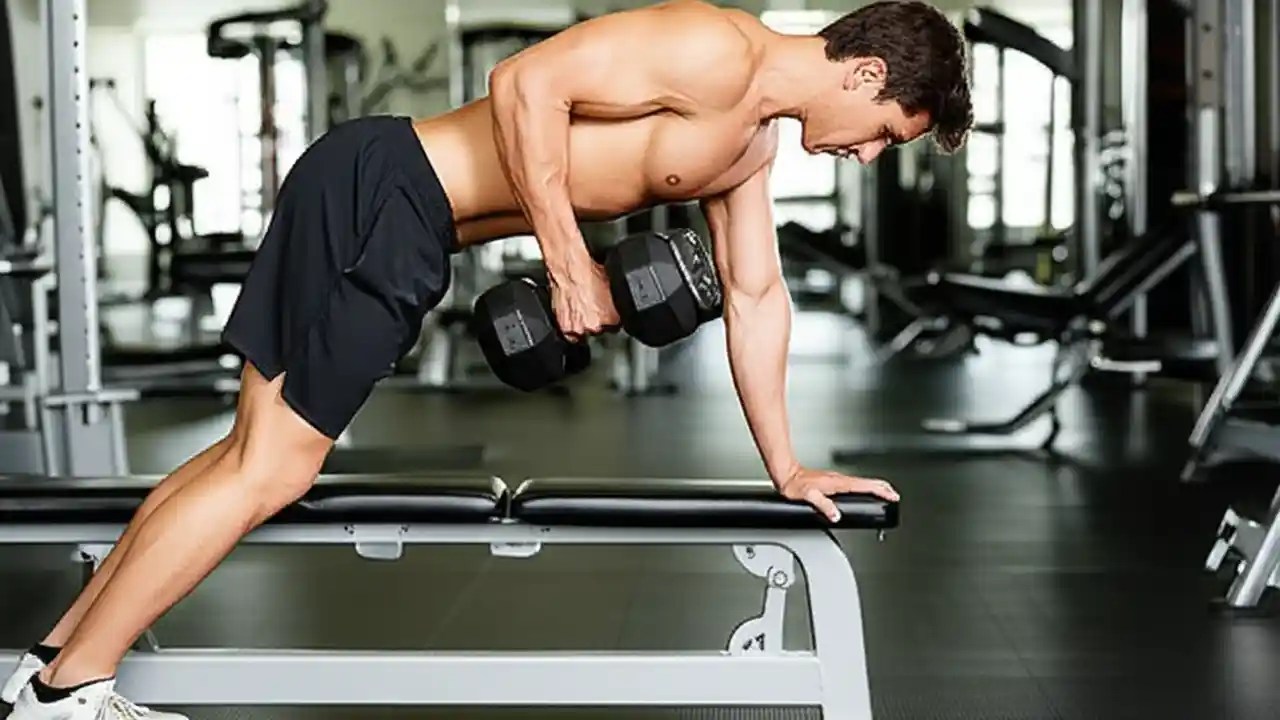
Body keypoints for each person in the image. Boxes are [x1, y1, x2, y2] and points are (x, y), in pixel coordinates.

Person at [3, 1, 971, 717]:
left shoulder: (749, 151)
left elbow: (756, 298)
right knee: (274, 468)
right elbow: (523, 83)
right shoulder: (714, 48)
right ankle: (70, 694)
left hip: (398, 214)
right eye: (888, 135)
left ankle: (50, 666)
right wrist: (568, 264)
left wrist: (787, 468)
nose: (869, 156)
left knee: (242, 454)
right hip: (387, 192)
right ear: (865, 76)